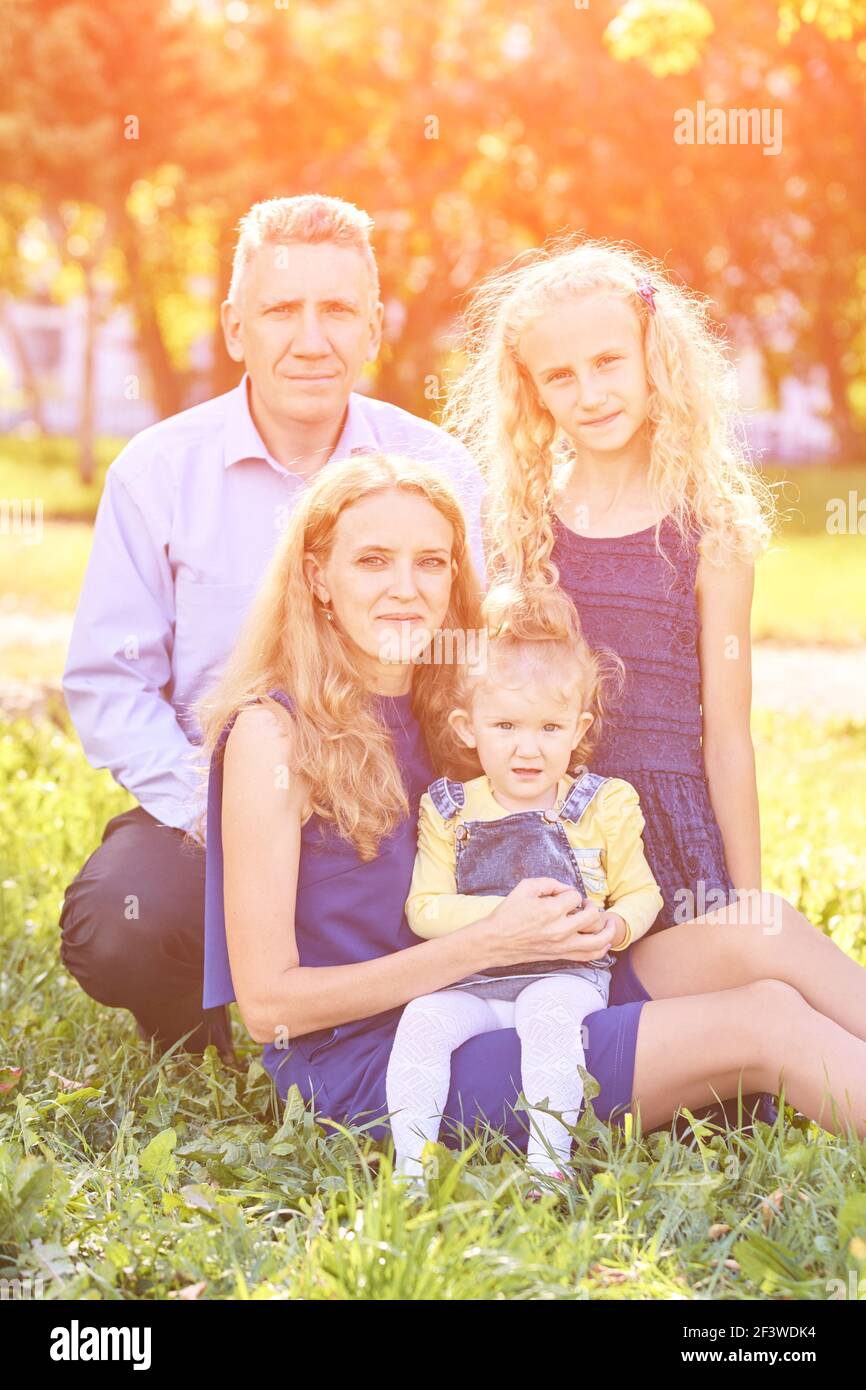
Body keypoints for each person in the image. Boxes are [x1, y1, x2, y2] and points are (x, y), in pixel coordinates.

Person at [200, 450, 866, 1159]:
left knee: (759, 934)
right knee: (764, 1023)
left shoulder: (453, 711)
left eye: (430, 561)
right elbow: (270, 1006)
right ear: (316, 577)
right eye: (372, 561)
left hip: (519, 988)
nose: (406, 588)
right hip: (383, 1058)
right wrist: (486, 943)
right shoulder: (273, 734)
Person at [441, 234, 866, 1129]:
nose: (589, 392)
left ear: (652, 358)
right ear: (532, 392)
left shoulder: (710, 531)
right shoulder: (521, 532)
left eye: (607, 362)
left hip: (679, 856)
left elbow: (725, 733)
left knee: (767, 943)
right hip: (569, 857)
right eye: (559, 376)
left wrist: (743, 896)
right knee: (740, 1046)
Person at [58, 193, 485, 1061]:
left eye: (337, 311)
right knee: (123, 922)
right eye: (282, 310)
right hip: (210, 804)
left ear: (372, 328)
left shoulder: (437, 468)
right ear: (234, 327)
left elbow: (470, 653)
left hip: (394, 798)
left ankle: (376, 1014)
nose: (310, 338)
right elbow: (111, 685)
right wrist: (223, 818)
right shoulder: (158, 471)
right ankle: (199, 1018)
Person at [386, 584, 663, 1188]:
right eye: (506, 724)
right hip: (475, 984)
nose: (528, 747)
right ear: (467, 727)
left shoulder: (601, 804)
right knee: (422, 1021)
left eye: (549, 726)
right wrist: (500, 922)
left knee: (547, 1017)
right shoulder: (451, 809)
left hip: (564, 976)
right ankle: (410, 1170)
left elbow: (642, 893)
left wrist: (615, 926)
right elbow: (424, 909)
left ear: (577, 728)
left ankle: (548, 1165)